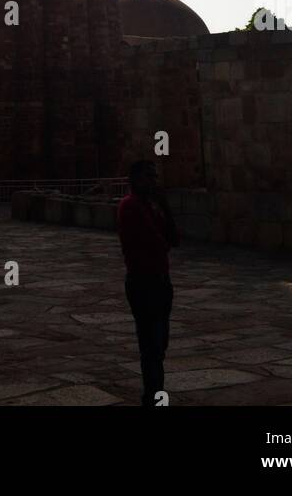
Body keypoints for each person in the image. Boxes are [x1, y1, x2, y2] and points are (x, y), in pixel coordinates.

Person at [117, 160, 179, 407]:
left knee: (159, 344)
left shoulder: (152, 207)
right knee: (151, 345)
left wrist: (164, 206)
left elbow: (172, 239)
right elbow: (158, 242)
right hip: (143, 283)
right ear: (134, 180)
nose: (153, 182)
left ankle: (155, 394)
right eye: (148, 177)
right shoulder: (130, 206)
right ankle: (152, 397)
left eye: (154, 177)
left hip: (161, 281)